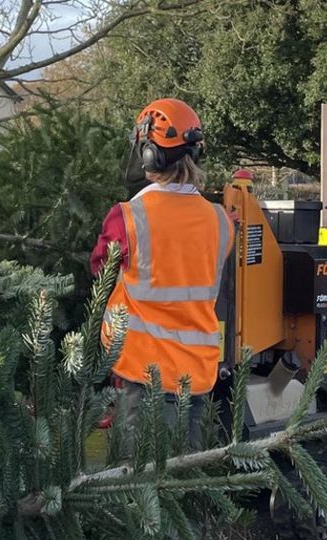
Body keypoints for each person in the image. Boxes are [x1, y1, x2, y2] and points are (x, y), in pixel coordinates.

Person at [92, 98, 233, 449]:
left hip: (142, 373)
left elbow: (100, 269)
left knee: (136, 487)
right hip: (198, 376)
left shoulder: (127, 217)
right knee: (186, 482)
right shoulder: (220, 221)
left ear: (149, 155)